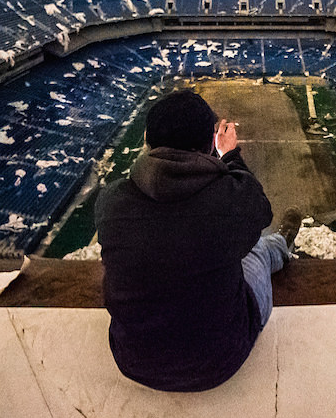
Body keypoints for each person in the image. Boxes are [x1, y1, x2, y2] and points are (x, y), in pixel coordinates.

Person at [95, 89, 303, 392]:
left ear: (148, 143)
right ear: (208, 147)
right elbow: (258, 208)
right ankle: (281, 248)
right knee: (255, 247)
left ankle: (277, 249)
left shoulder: (111, 202)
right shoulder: (228, 202)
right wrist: (229, 155)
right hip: (218, 361)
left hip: (134, 358)